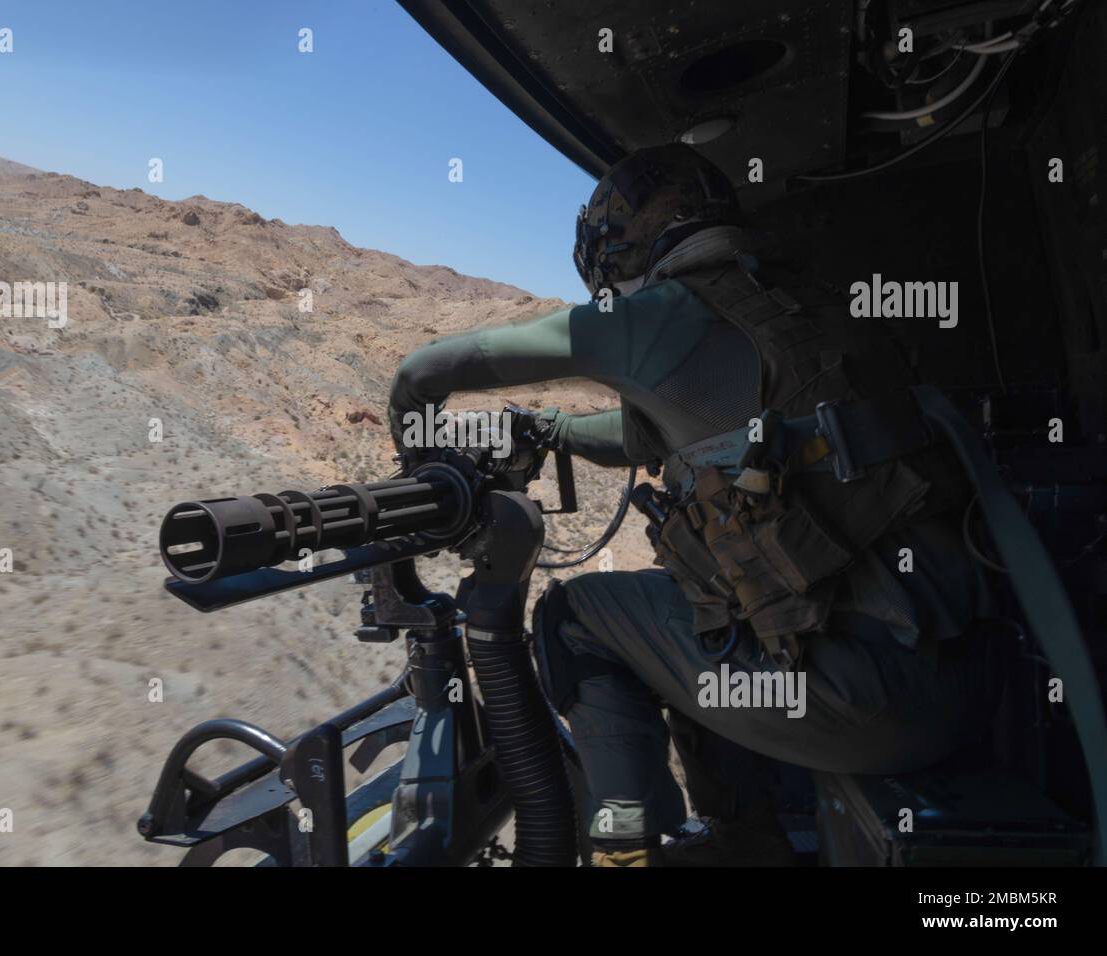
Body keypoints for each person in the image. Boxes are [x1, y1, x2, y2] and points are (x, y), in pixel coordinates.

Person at [386, 144, 1003, 867]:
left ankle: (629, 857)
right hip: (970, 676)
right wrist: (553, 428)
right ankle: (745, 841)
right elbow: (687, 427)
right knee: (697, 604)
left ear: (618, 243)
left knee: (573, 618)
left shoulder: (659, 313)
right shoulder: (796, 301)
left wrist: (413, 438)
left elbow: (429, 367)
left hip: (868, 701)